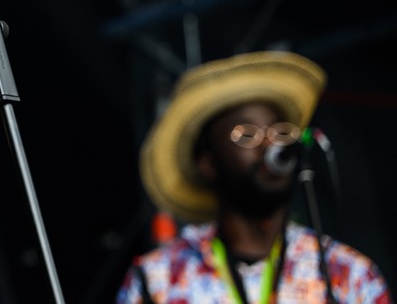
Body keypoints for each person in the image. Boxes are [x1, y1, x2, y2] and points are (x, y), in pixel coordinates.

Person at [116, 50, 391, 304]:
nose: (270, 145)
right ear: (208, 163)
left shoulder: (347, 274)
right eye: (247, 135)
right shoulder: (156, 279)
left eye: (280, 133)